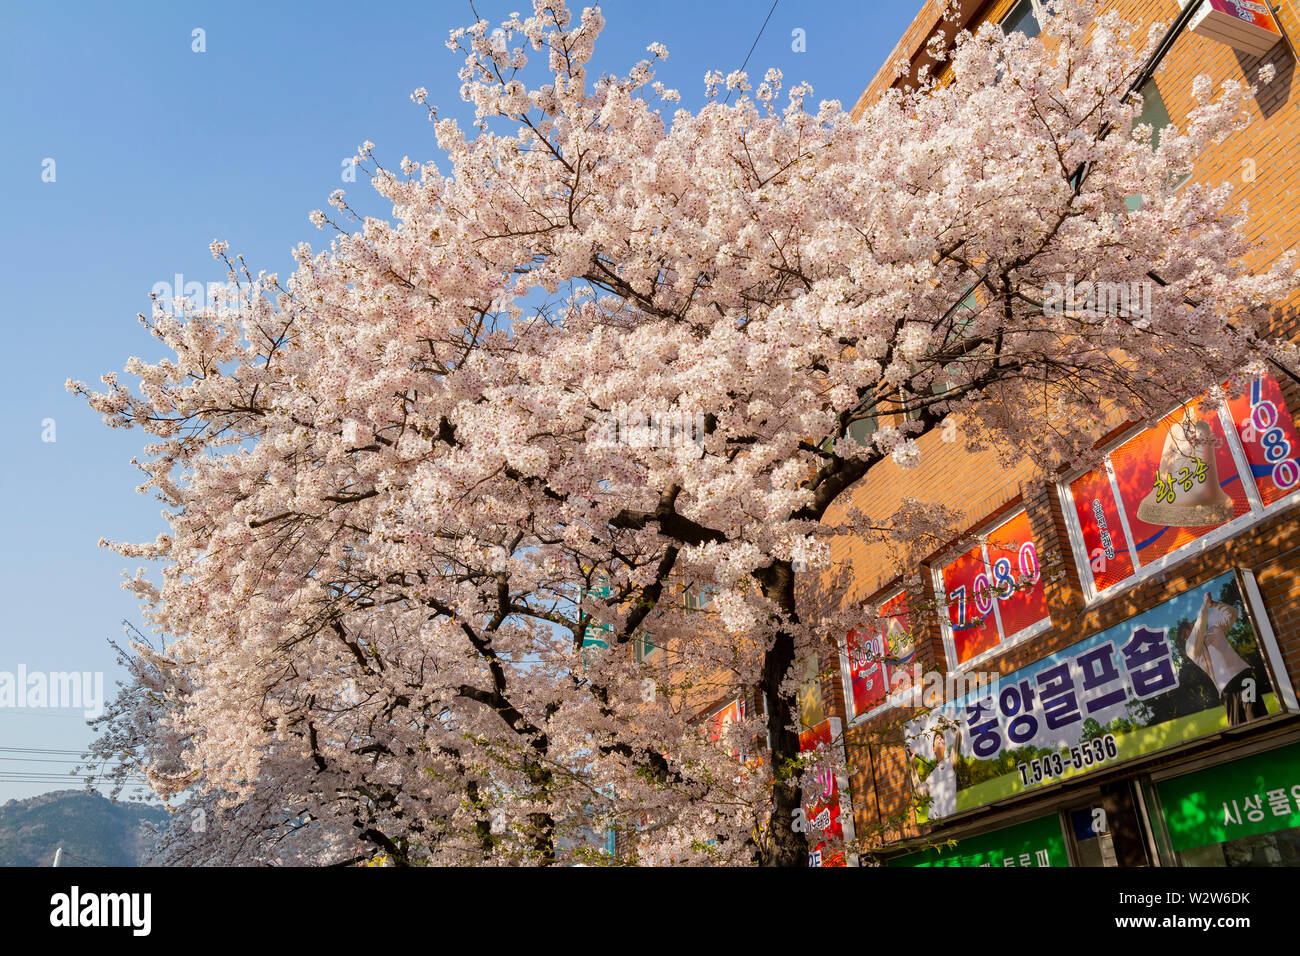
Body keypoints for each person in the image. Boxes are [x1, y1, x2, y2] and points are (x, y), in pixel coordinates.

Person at [1179, 592, 1267, 727]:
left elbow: (1232, 613)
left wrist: (1215, 605)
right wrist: (1205, 605)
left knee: (1258, 717)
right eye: (1193, 625)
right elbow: (1200, 625)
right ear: (1186, 633)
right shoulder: (1191, 647)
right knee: (1240, 727)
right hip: (1227, 687)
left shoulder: (1214, 629)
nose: (1197, 626)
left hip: (1244, 676)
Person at [910, 725, 960, 821]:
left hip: (952, 818)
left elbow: (958, 734)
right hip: (934, 821)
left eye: (942, 738)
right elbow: (920, 794)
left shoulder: (951, 761)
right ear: (933, 748)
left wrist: (949, 724)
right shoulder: (931, 775)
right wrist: (912, 767)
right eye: (937, 738)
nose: (940, 739)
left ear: (945, 746)